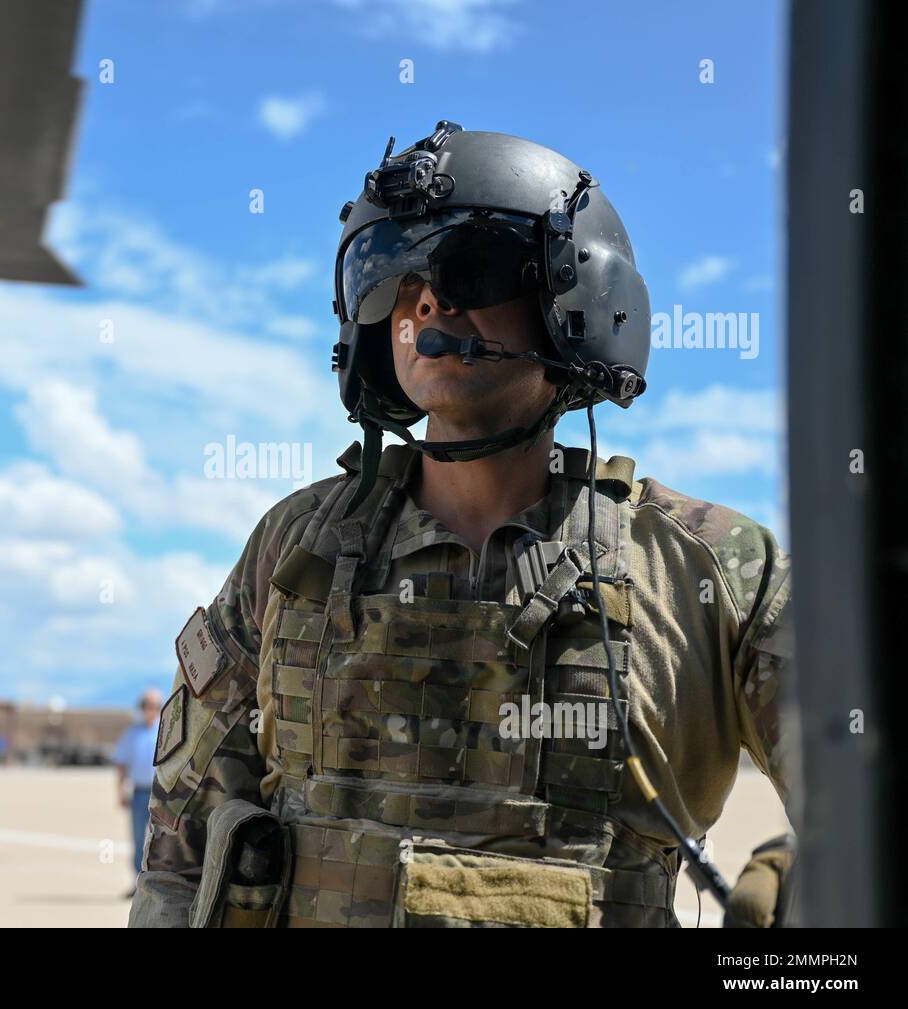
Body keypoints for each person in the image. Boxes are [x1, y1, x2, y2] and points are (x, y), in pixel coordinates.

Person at [130, 123, 795, 928]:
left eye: (468, 267)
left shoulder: (708, 569)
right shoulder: (293, 546)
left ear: (577, 296)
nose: (428, 305)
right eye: (392, 280)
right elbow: (182, 835)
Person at [112, 688, 163, 889]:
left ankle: (157, 882)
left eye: (155, 706)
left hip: (161, 794)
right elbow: (122, 764)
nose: (150, 710)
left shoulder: (166, 730)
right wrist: (120, 791)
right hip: (139, 793)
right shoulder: (132, 733)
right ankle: (137, 883)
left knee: (160, 839)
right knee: (138, 838)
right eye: (146, 705)